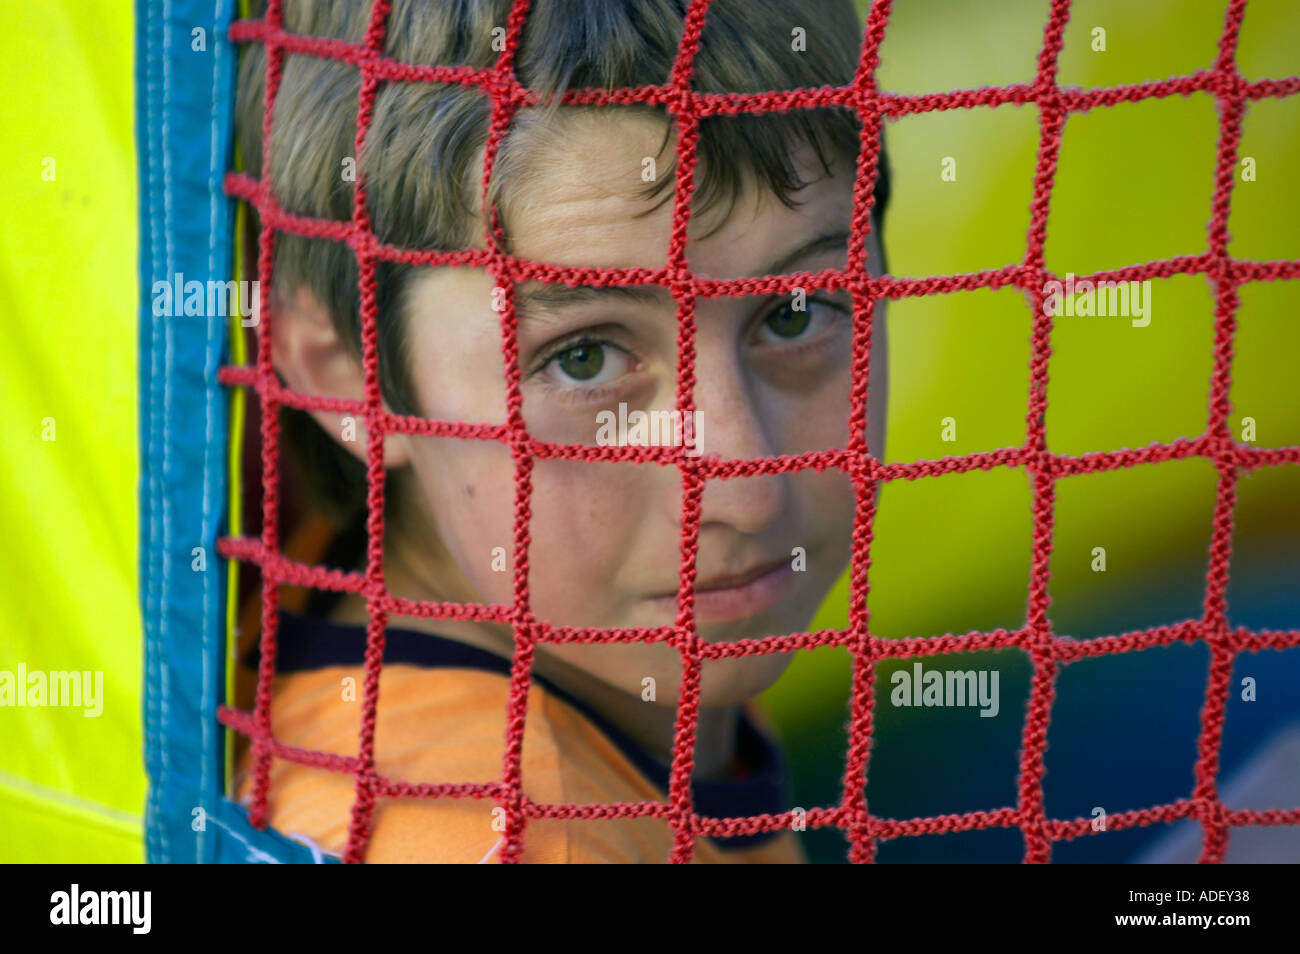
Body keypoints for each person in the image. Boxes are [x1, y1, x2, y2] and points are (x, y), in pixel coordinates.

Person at [231, 0, 889, 862]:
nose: (744, 489)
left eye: (797, 313)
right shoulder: (493, 833)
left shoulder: (608, 650)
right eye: (583, 358)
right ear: (341, 369)